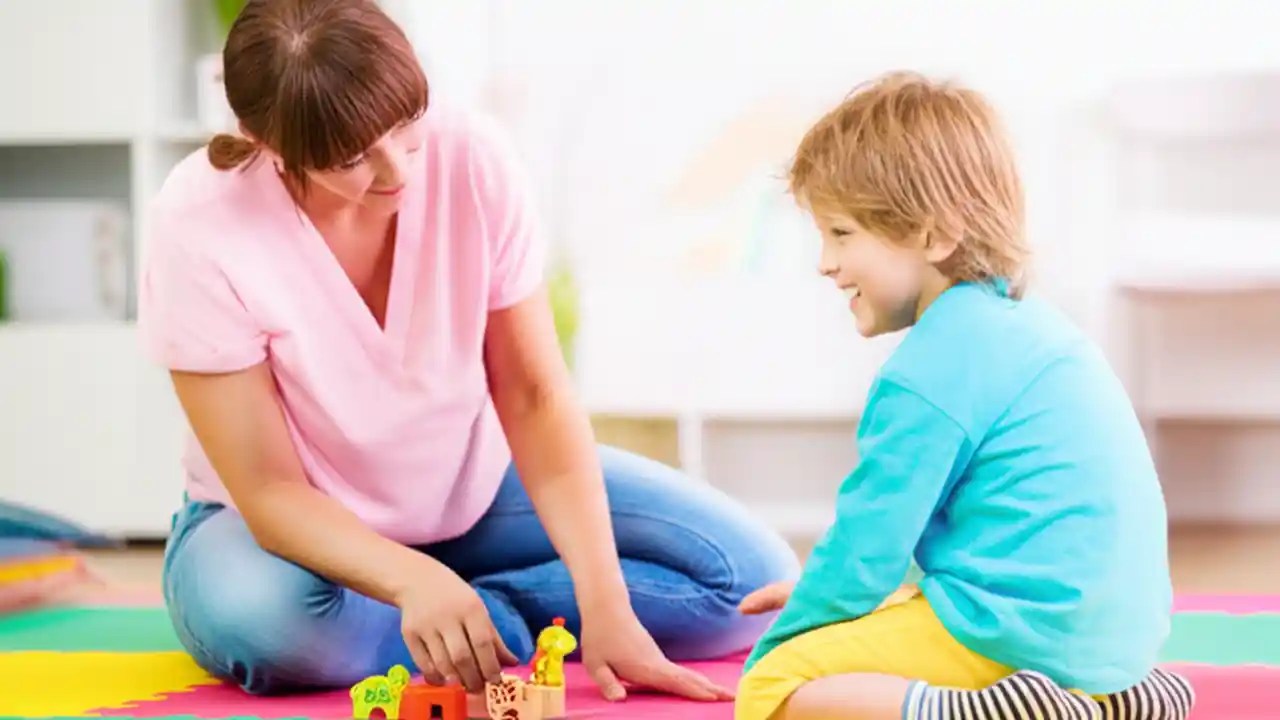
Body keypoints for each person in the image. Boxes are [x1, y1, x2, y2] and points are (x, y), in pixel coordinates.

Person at [137, 0, 798, 700]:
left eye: (406, 125)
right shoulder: (200, 221)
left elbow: (534, 396)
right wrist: (410, 578)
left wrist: (605, 599)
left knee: (752, 585)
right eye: (351, 158)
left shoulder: (472, 156)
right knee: (269, 625)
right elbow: (270, 492)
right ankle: (480, 622)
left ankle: (473, 612)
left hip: (469, 492)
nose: (396, 172)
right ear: (262, 139)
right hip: (280, 528)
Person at [732, 72, 1195, 720]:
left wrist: (795, 636)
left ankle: (974, 713)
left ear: (934, 235)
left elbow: (868, 549)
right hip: (1115, 637)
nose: (825, 262)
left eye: (841, 234)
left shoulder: (928, 370)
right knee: (902, 615)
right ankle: (1112, 700)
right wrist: (826, 596)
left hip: (1015, 629)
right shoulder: (1034, 327)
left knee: (771, 688)